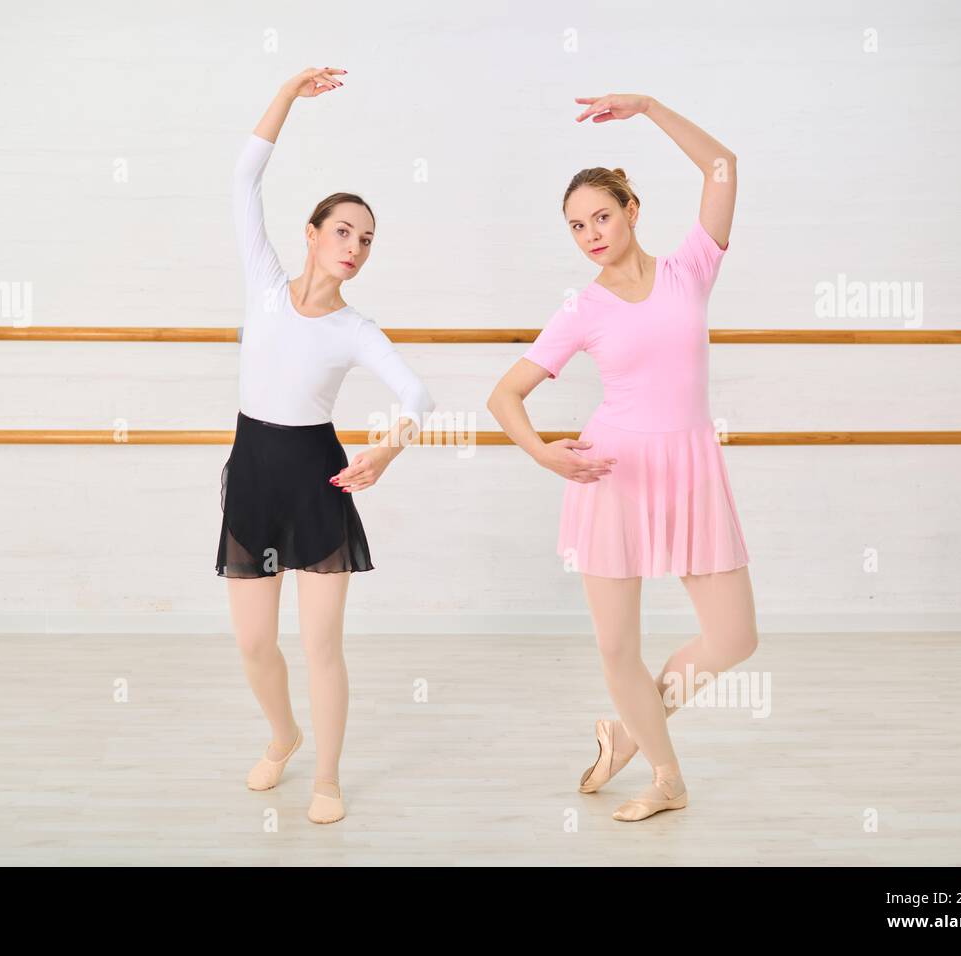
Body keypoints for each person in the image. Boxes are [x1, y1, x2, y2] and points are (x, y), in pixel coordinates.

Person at [487, 92, 759, 823]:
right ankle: (667, 776)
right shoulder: (582, 308)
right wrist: (544, 454)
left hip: (691, 469)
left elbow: (723, 165)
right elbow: (505, 398)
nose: (590, 234)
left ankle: (629, 733)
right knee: (618, 648)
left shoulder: (689, 270)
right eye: (577, 227)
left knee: (735, 636)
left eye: (600, 216)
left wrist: (648, 108)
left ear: (632, 209)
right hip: (611, 476)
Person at [218, 67, 435, 824]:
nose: (355, 246)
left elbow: (418, 396)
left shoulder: (355, 330)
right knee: (252, 644)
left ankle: (329, 777)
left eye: (367, 239)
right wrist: (286, 93)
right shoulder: (265, 287)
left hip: (318, 481)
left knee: (320, 645)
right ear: (310, 236)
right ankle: (283, 737)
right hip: (251, 473)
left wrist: (388, 449)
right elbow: (245, 178)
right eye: (343, 230)